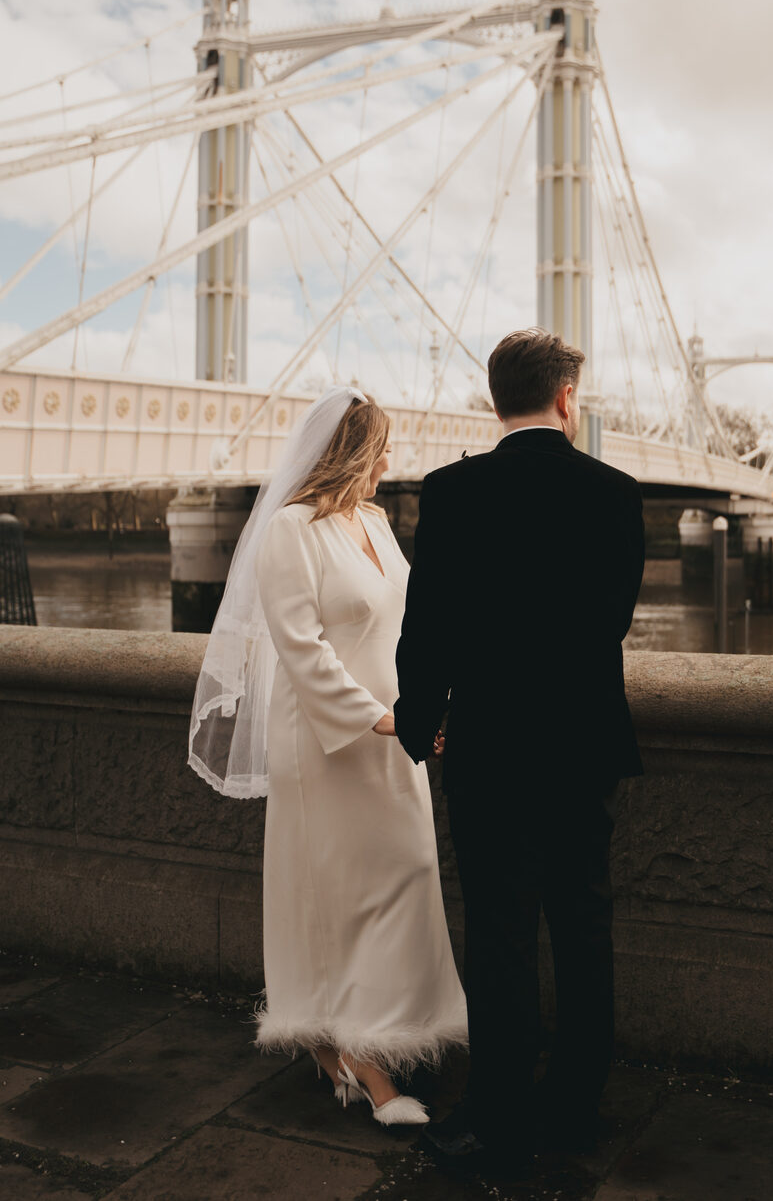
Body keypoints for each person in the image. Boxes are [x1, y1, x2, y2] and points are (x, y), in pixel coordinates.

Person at [394, 329, 645, 1164]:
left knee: (498, 929)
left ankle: (494, 1112)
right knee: (583, 922)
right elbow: (610, 620)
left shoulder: (452, 491)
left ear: (496, 399)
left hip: (491, 746)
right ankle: (575, 1104)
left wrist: (420, 714)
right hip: (582, 744)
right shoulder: (615, 491)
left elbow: (426, 627)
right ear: (567, 398)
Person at [189, 387, 467, 1128]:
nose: (389, 460)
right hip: (329, 742)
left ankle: (357, 1039)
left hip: (394, 732)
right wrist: (380, 718)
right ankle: (367, 1069)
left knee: (406, 878)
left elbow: (410, 625)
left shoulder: (375, 521)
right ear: (350, 452)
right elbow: (301, 650)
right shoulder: (290, 531)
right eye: (380, 447)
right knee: (340, 899)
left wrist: (426, 704)